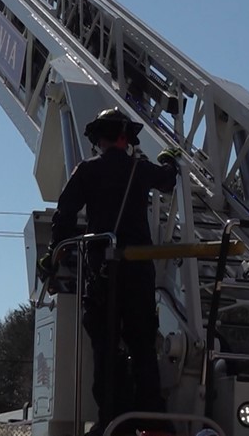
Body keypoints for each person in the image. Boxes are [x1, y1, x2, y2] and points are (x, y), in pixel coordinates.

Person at [39, 108, 182, 436]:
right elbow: (168, 179)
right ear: (124, 137)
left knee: (106, 349)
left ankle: (114, 423)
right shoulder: (140, 169)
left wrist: (54, 254)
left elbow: (64, 215)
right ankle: (154, 422)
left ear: (99, 138)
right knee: (143, 345)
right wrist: (170, 160)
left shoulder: (87, 171)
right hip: (138, 271)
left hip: (102, 274)